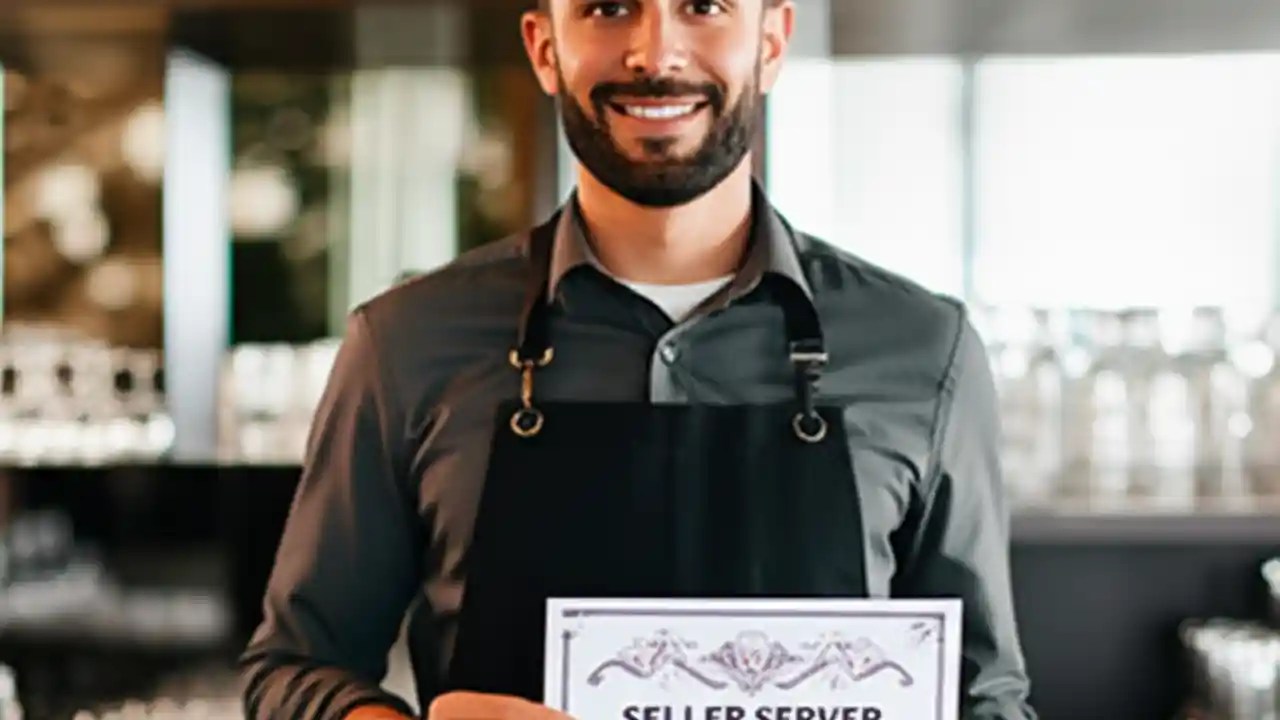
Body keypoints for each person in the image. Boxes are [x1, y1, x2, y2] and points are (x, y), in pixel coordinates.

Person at [239, 0, 1038, 718]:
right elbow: (293, 669)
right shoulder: (406, 343)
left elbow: (985, 698)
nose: (655, 53)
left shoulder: (925, 349)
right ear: (544, 46)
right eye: (609, 8)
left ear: (771, 38)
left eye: (703, 6)